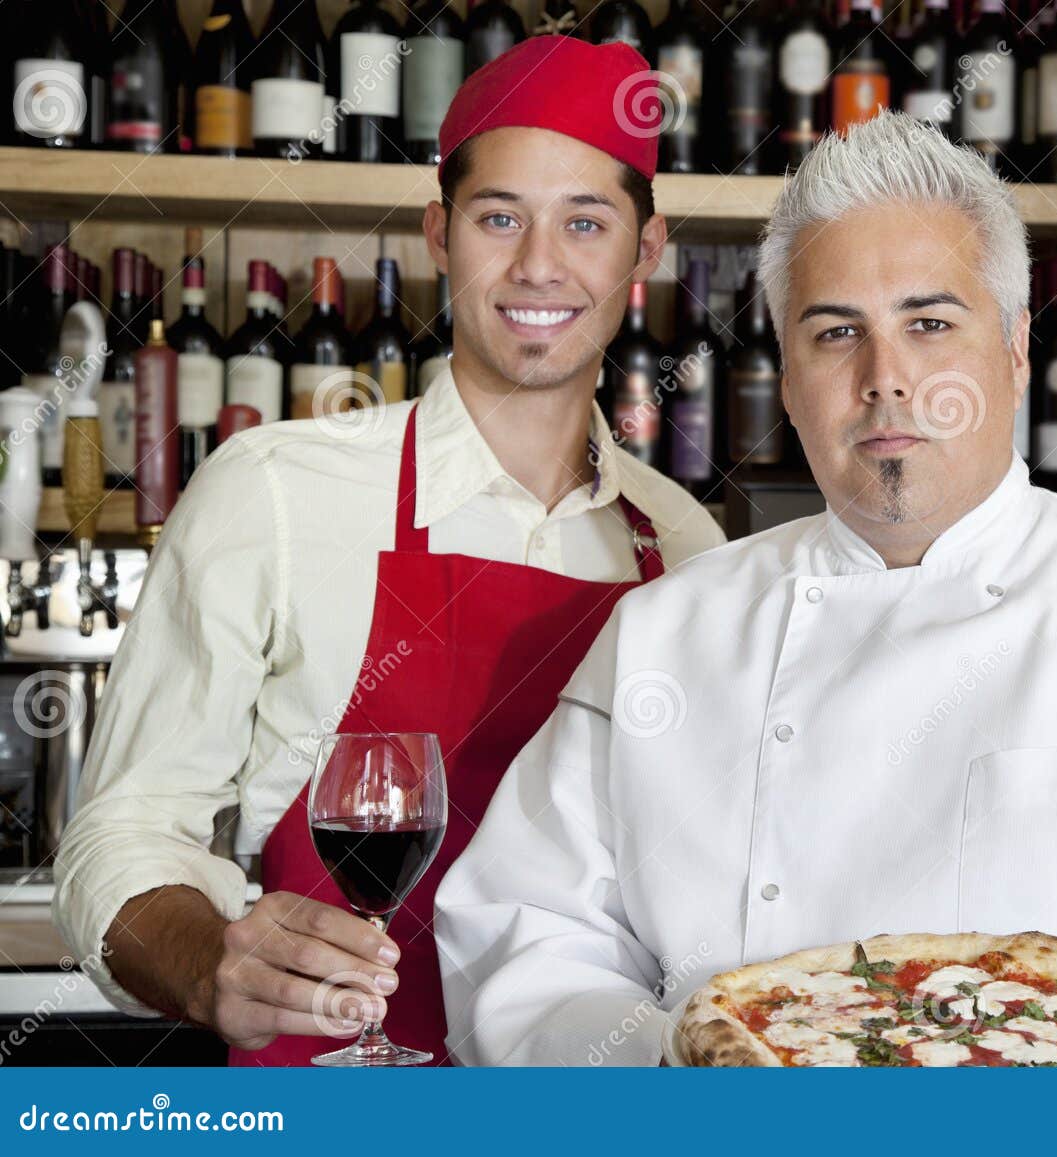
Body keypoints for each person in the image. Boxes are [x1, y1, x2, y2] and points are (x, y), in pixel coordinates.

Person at [434, 112, 1057, 1068]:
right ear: (787, 381)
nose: (886, 377)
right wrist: (680, 1060)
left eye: (930, 322)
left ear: (1015, 349)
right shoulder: (663, 633)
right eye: (835, 333)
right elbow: (519, 941)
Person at [52, 36, 723, 1066]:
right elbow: (123, 830)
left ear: (645, 252)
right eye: (499, 217)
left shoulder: (683, 545)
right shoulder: (273, 490)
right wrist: (209, 964)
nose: (539, 265)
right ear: (438, 235)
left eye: (585, 223)